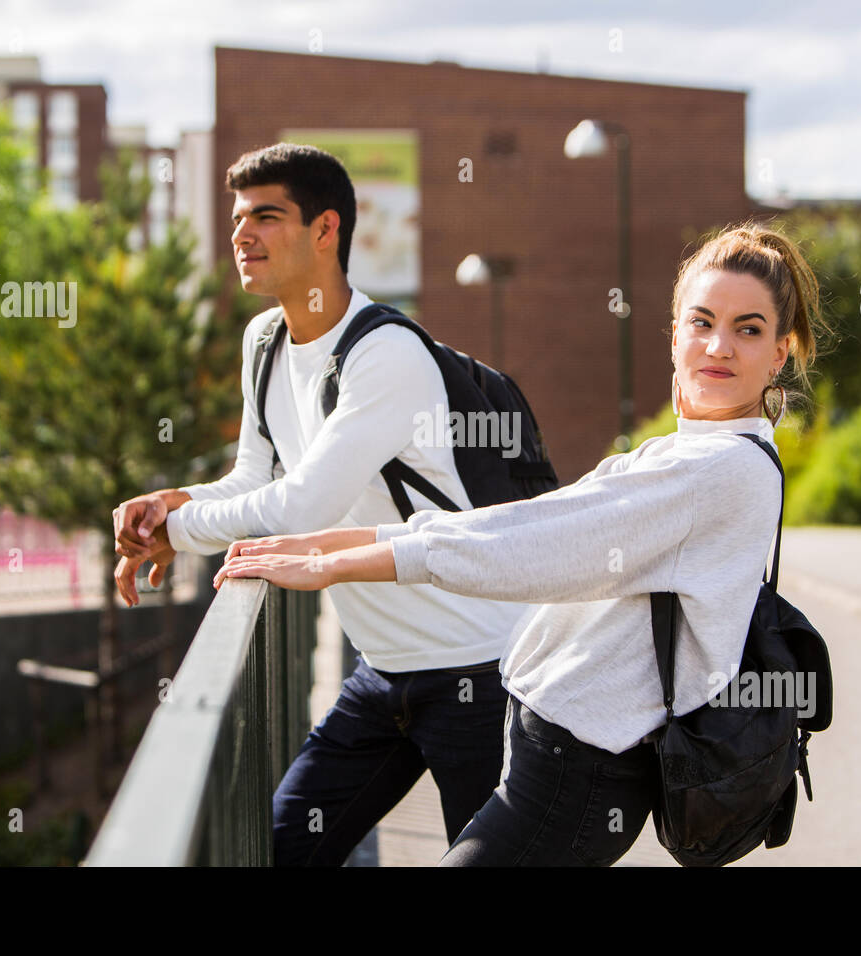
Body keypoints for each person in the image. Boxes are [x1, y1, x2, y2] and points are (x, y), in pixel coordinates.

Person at [213, 222, 827, 865]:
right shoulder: (680, 454)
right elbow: (538, 518)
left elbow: (539, 543)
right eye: (702, 322)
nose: (719, 346)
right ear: (674, 337)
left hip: (579, 777)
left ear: (780, 352)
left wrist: (339, 564)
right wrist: (332, 545)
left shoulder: (720, 471)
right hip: (550, 759)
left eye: (748, 329)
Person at [111, 143, 532, 865]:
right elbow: (256, 477)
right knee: (276, 851)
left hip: (478, 673)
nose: (242, 234)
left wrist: (180, 531)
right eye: (239, 216)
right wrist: (173, 505)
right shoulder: (266, 341)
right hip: (383, 671)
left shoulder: (384, 352)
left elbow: (300, 506)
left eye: (266, 216)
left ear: (325, 230)